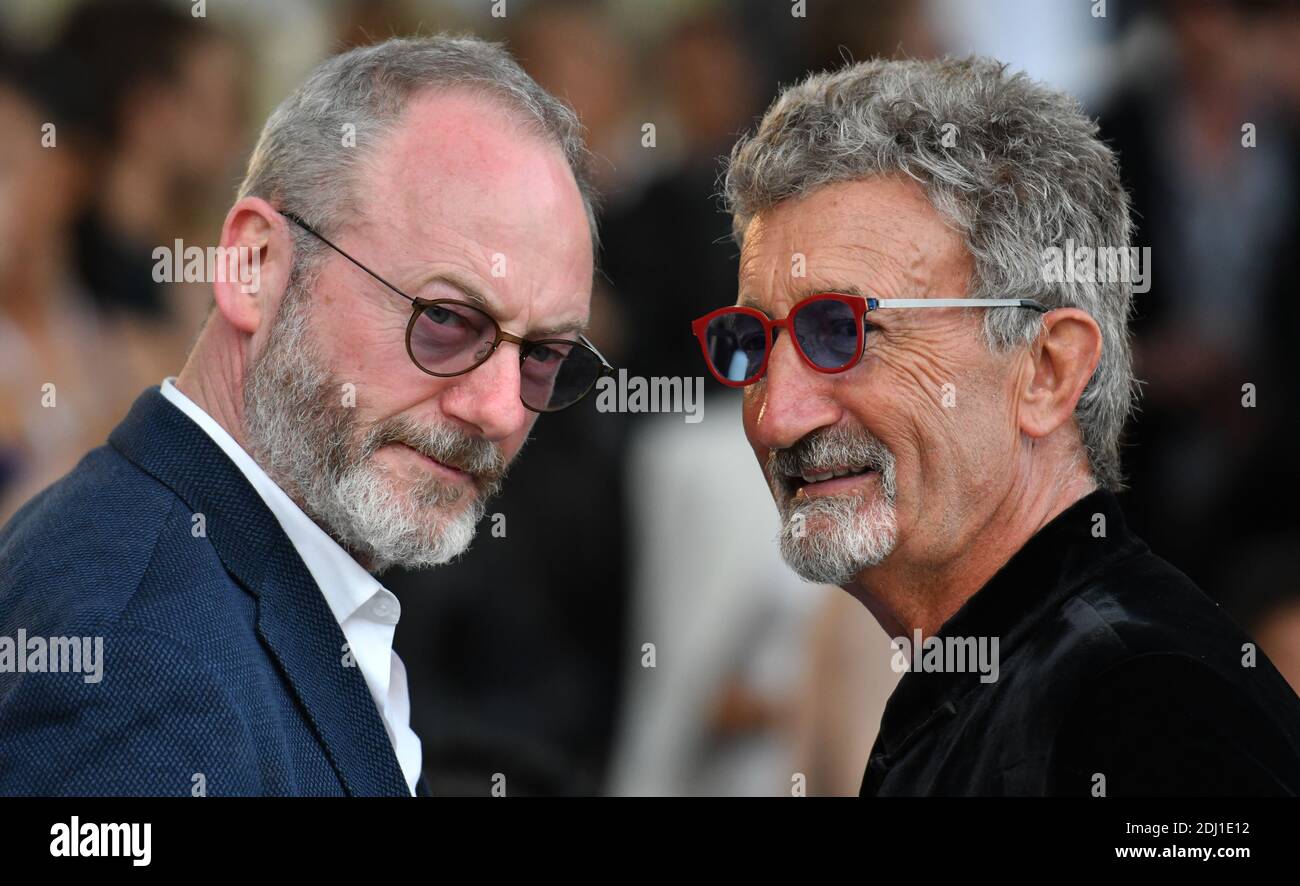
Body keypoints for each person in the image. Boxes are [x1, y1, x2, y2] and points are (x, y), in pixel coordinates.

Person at [0, 34, 610, 797]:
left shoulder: (231, 577)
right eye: (447, 321)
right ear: (255, 267)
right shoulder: (142, 660)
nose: (496, 408)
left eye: (543, 356)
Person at [693, 56, 1300, 796]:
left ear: (1046, 371)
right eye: (751, 341)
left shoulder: (1148, 711)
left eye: (840, 330)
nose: (777, 413)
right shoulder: (1015, 682)